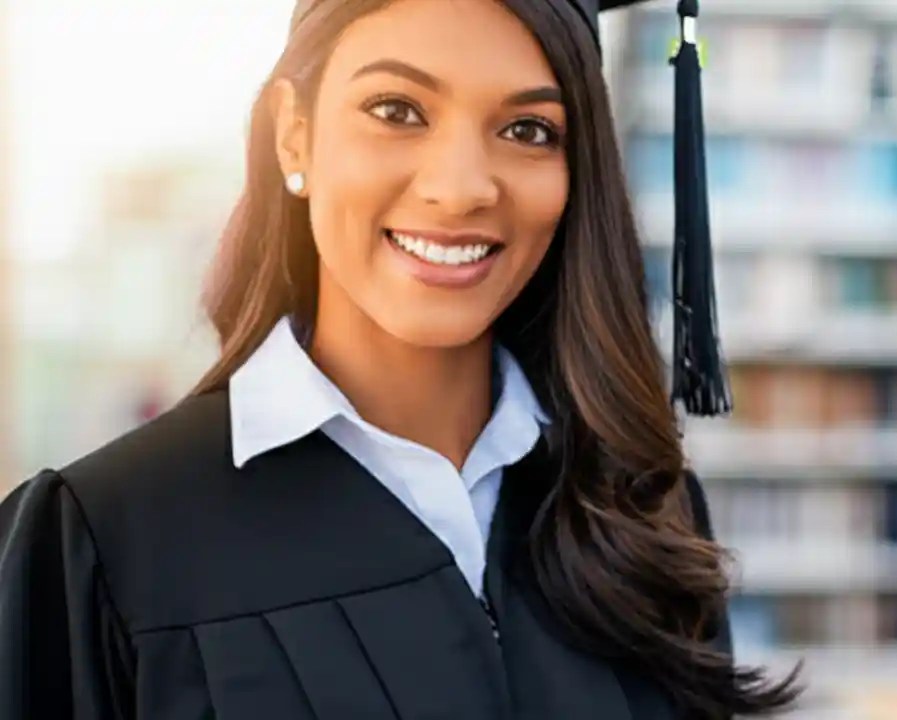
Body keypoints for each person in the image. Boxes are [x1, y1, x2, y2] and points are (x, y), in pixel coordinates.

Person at [0, 0, 802, 718]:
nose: (460, 189)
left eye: (528, 130)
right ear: (294, 133)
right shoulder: (105, 538)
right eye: (397, 110)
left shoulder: (641, 514)